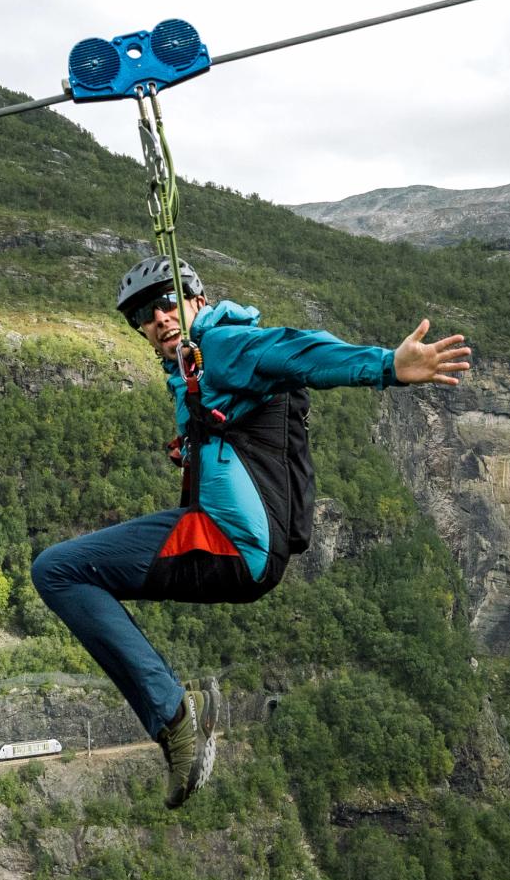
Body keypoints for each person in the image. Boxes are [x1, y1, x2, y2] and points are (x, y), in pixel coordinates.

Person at [31, 255, 471, 807]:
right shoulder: (193, 364)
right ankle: (171, 715)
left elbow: (296, 351)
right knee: (61, 570)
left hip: (232, 545)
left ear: (195, 299)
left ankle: (172, 717)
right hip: (226, 541)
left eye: (167, 301)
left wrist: (386, 365)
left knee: (59, 571)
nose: (158, 318)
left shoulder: (225, 346)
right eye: (143, 315)